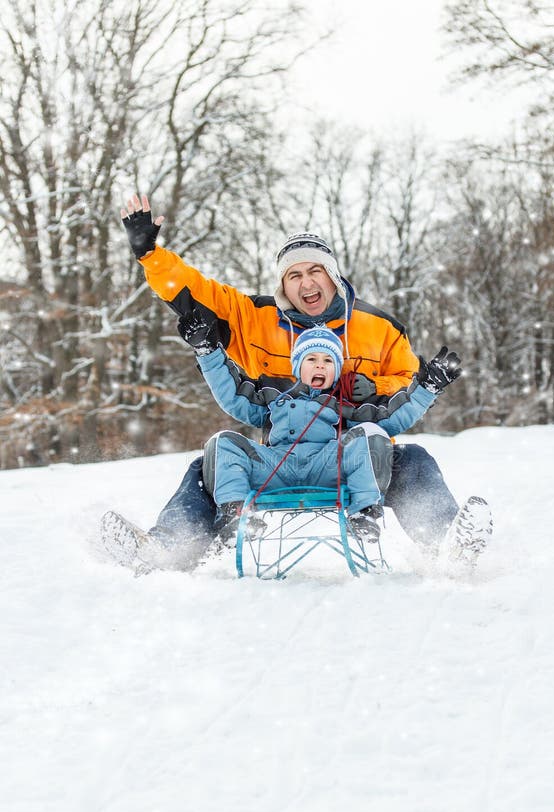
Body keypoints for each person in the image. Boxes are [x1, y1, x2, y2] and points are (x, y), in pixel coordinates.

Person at [101, 194, 492, 573]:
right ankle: (168, 549)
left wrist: (373, 388)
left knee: (414, 459)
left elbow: (407, 383)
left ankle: (446, 545)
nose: (306, 282)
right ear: (283, 286)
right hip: (280, 459)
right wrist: (151, 255)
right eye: (294, 275)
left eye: (315, 270)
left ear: (333, 276)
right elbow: (195, 292)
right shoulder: (255, 318)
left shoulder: (380, 327)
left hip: (354, 457)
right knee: (209, 466)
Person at [198, 325, 445, 547]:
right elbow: (234, 394)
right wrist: (208, 353)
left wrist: (426, 389)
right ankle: (236, 515)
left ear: (335, 370)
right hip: (275, 468)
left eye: (328, 361)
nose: (319, 365)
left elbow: (391, 417)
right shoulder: (272, 393)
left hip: (327, 468)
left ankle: (364, 513)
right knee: (223, 441)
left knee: (369, 432)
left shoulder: (343, 402)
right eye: (311, 359)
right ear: (297, 366)